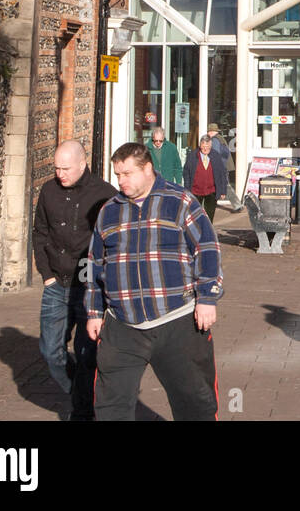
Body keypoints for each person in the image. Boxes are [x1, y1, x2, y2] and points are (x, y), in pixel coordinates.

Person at [86, 142, 223, 421]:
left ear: (148, 169)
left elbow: (206, 248)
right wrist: (93, 311)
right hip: (123, 324)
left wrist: (207, 298)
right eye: (117, 175)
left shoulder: (179, 201)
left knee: (195, 402)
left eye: (127, 173)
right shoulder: (109, 211)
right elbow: (94, 263)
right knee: (110, 405)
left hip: (177, 319)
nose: (121, 181)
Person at [31, 139, 115, 420]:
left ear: (82, 164)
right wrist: (46, 277)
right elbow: (40, 232)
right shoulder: (48, 191)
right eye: (56, 168)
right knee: (50, 352)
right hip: (56, 284)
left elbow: (114, 240)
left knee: (88, 353)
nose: (60, 174)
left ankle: (83, 410)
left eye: (66, 168)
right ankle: (79, 392)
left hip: (89, 286)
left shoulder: (105, 194)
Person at [183, 134, 228, 224]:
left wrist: (223, 191)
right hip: (195, 191)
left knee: (209, 217)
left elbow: (222, 173)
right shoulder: (192, 156)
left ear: (211, 146)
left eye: (208, 146)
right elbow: (186, 172)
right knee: (195, 215)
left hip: (211, 191)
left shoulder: (216, 156)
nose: (205, 149)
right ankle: (196, 234)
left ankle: (207, 234)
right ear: (200, 145)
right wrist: (187, 189)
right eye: (203, 146)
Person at [206, 126, 241, 211]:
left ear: (210, 132)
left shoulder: (214, 140)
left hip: (219, 167)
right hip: (223, 166)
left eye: (208, 132)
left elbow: (215, 154)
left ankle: (237, 205)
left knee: (225, 186)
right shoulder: (220, 138)